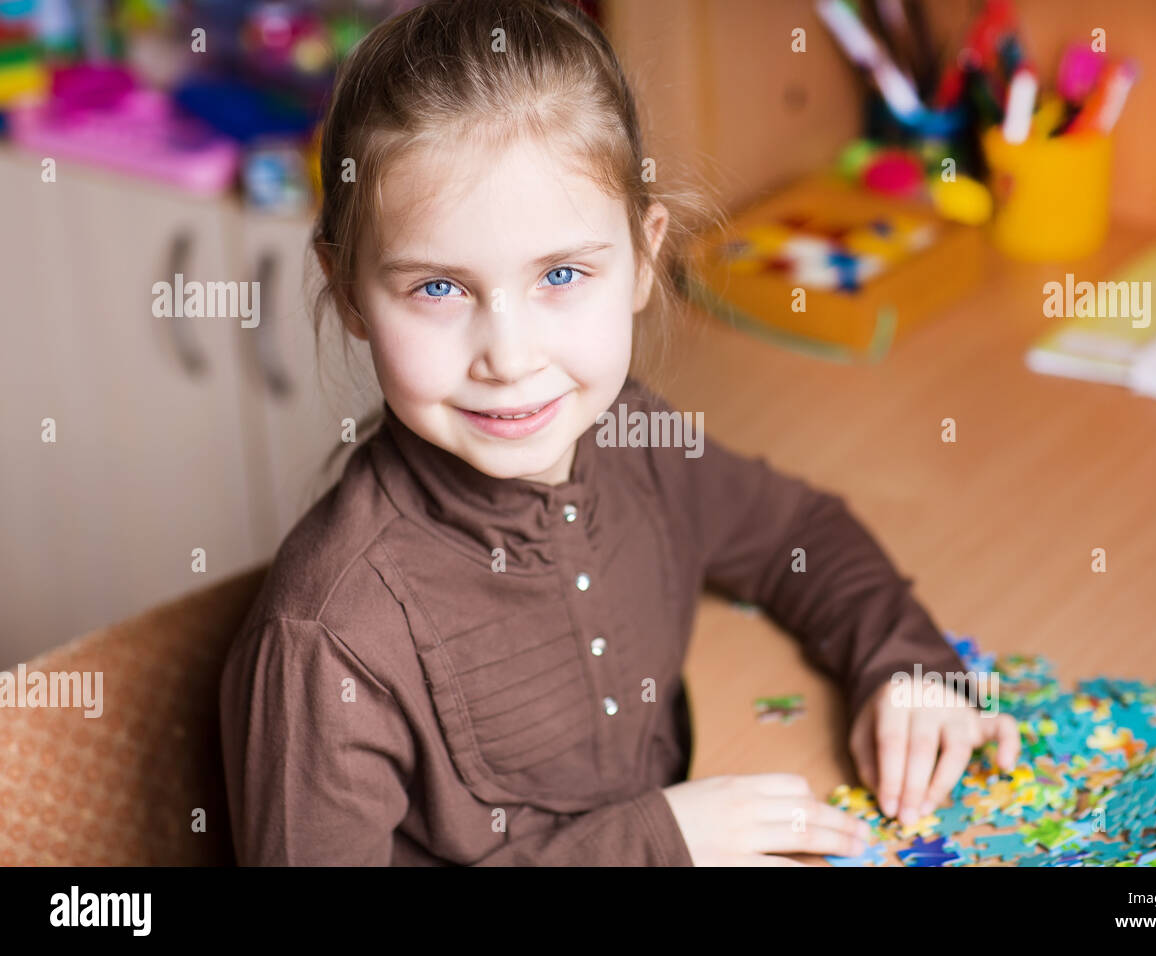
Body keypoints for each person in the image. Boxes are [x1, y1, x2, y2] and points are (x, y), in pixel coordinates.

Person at [220, 0, 1018, 866]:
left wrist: (908, 668)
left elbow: (797, 532)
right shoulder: (326, 644)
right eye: (438, 289)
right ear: (348, 294)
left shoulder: (635, 438)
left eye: (561, 274)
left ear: (643, 258)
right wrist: (650, 846)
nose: (510, 357)